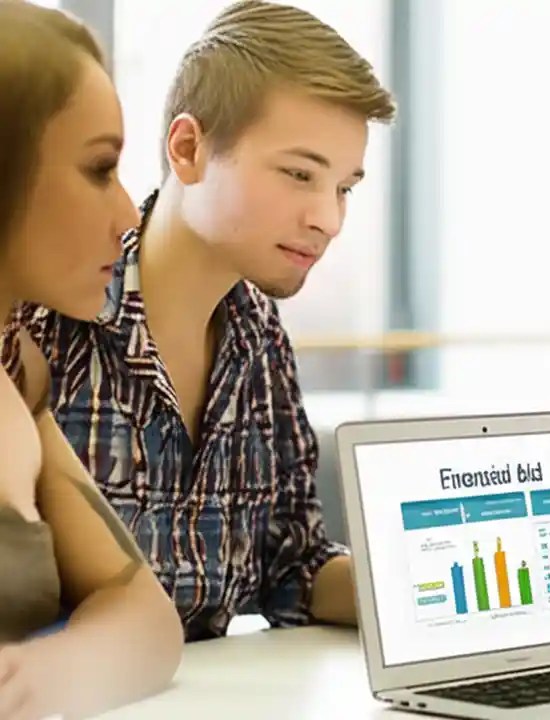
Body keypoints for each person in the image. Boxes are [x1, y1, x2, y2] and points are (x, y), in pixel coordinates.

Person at [13, 0, 396, 641]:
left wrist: (436, 593)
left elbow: (293, 566)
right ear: (188, 149)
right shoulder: (44, 322)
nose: (328, 219)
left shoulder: (260, 341)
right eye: (299, 174)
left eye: (344, 187)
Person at [0, 2, 183, 717]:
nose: (128, 216)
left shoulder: (18, 376)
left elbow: (146, 616)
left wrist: (39, 680)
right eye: (99, 167)